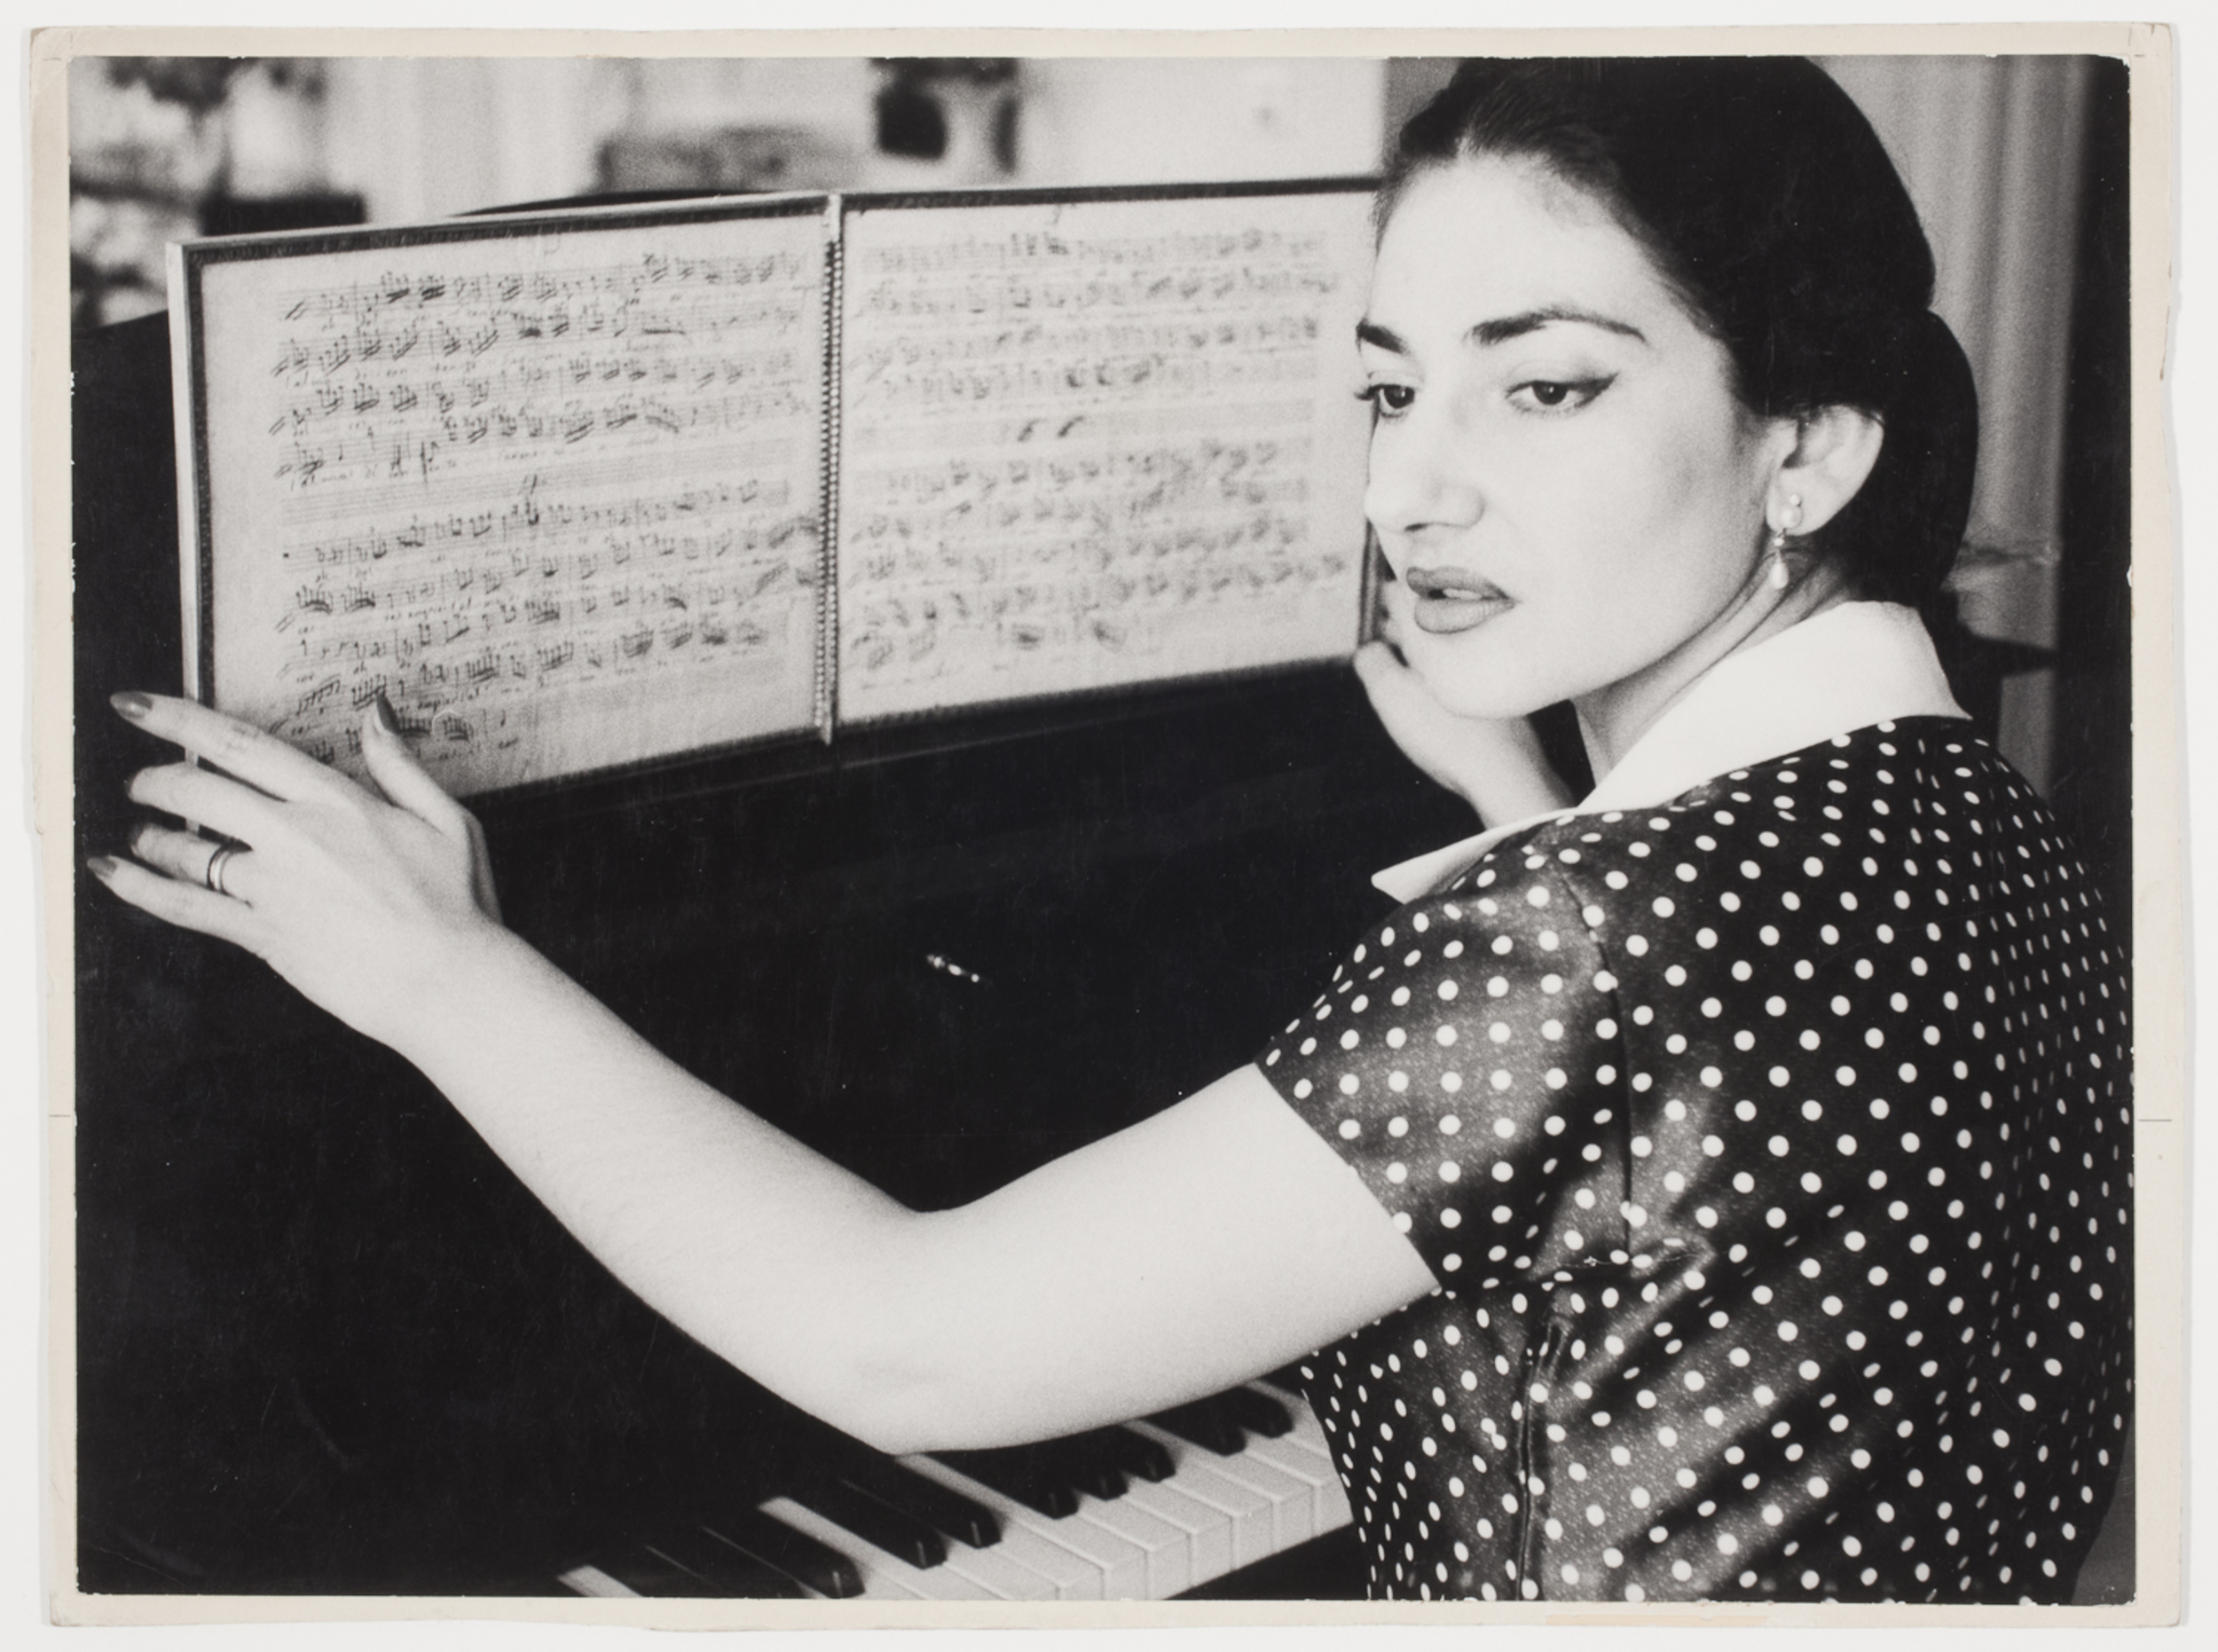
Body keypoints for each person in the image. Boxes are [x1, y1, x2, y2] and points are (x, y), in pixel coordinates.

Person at [89, 57, 2130, 1604]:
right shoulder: (1981, 828)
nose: (1404, 496)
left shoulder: (1598, 942)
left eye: (1544, 392)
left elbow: (905, 1342)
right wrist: (1520, 804)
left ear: (1803, 448)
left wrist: (440, 970)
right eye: (1384, 390)